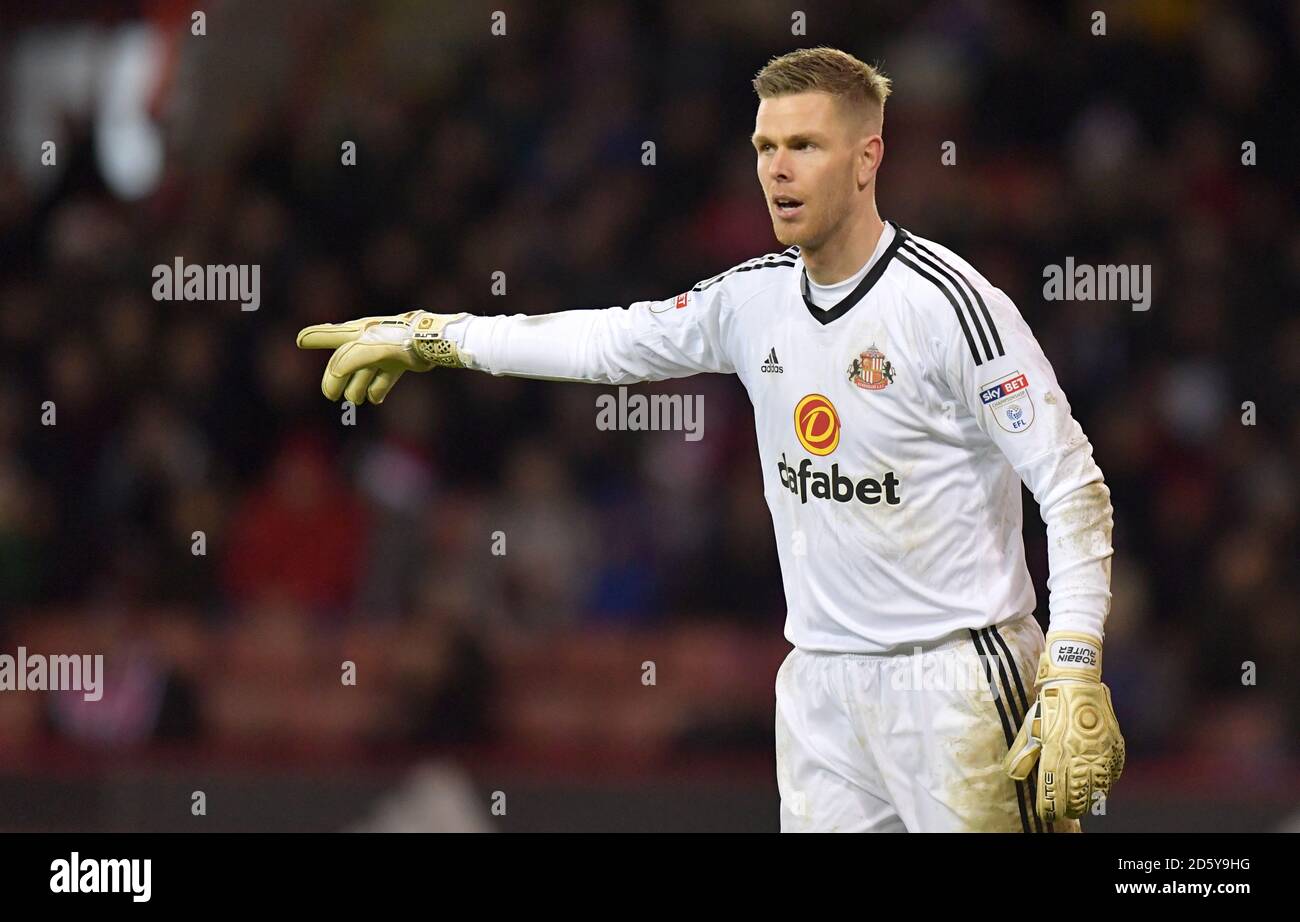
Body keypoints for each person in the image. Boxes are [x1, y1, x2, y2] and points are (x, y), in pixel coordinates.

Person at [296, 46, 1124, 832]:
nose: (778, 168)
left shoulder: (949, 308)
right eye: (766, 146)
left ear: (869, 158)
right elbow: (608, 346)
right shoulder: (749, 301)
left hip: (959, 680)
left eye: (806, 144)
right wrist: (439, 335)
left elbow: (1072, 484)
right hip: (821, 685)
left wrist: (1076, 660)